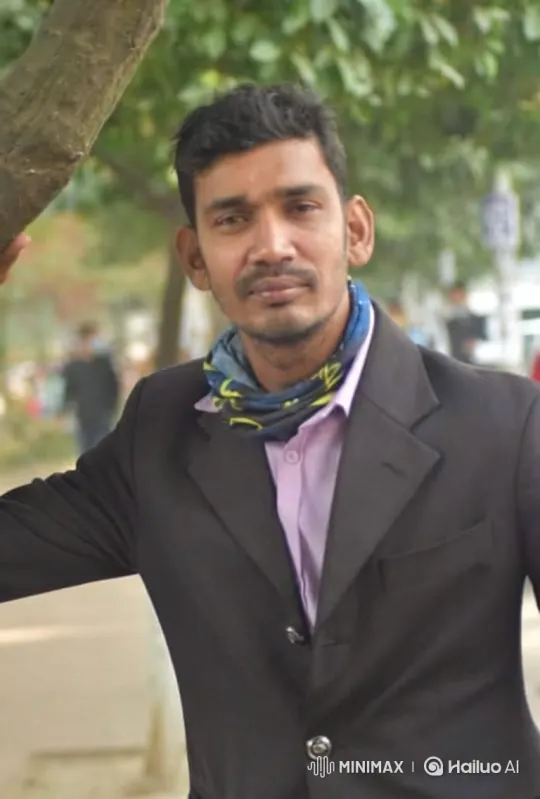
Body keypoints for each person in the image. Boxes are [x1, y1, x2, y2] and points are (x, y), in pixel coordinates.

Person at [1, 84, 540, 799]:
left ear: (356, 230)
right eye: (233, 219)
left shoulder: (504, 424)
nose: (271, 245)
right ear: (195, 258)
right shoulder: (159, 434)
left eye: (300, 206)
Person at [60, 321, 120, 453]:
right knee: (85, 454)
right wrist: (64, 411)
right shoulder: (73, 366)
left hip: (103, 417)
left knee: (103, 453)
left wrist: (111, 409)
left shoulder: (104, 364)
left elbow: (114, 387)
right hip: (83, 417)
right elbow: (69, 391)